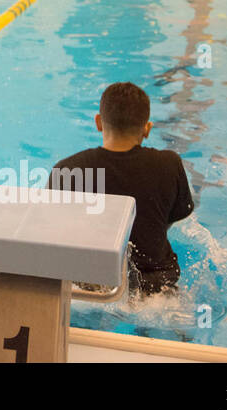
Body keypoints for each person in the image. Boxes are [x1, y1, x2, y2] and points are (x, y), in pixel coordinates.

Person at [50, 82, 193, 295]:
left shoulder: (67, 170)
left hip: (92, 290)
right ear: (147, 128)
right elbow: (172, 217)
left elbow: (52, 234)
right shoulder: (169, 164)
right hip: (156, 288)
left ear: (98, 122)